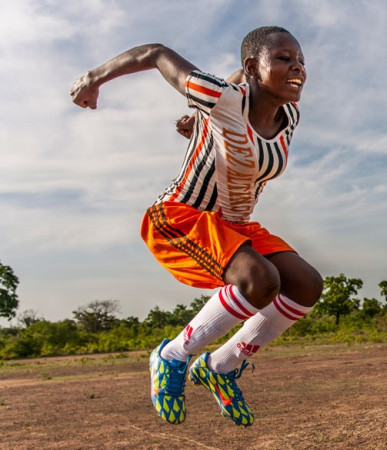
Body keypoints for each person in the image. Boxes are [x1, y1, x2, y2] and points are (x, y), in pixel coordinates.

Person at [70, 26, 322, 427]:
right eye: (283, 58)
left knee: (307, 284)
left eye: (301, 60)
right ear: (252, 68)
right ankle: (171, 355)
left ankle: (221, 366)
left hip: (235, 224)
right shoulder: (220, 97)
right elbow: (155, 52)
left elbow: (239, 111)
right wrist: (93, 78)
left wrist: (199, 121)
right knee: (260, 279)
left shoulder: (289, 116)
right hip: (180, 215)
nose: (298, 68)